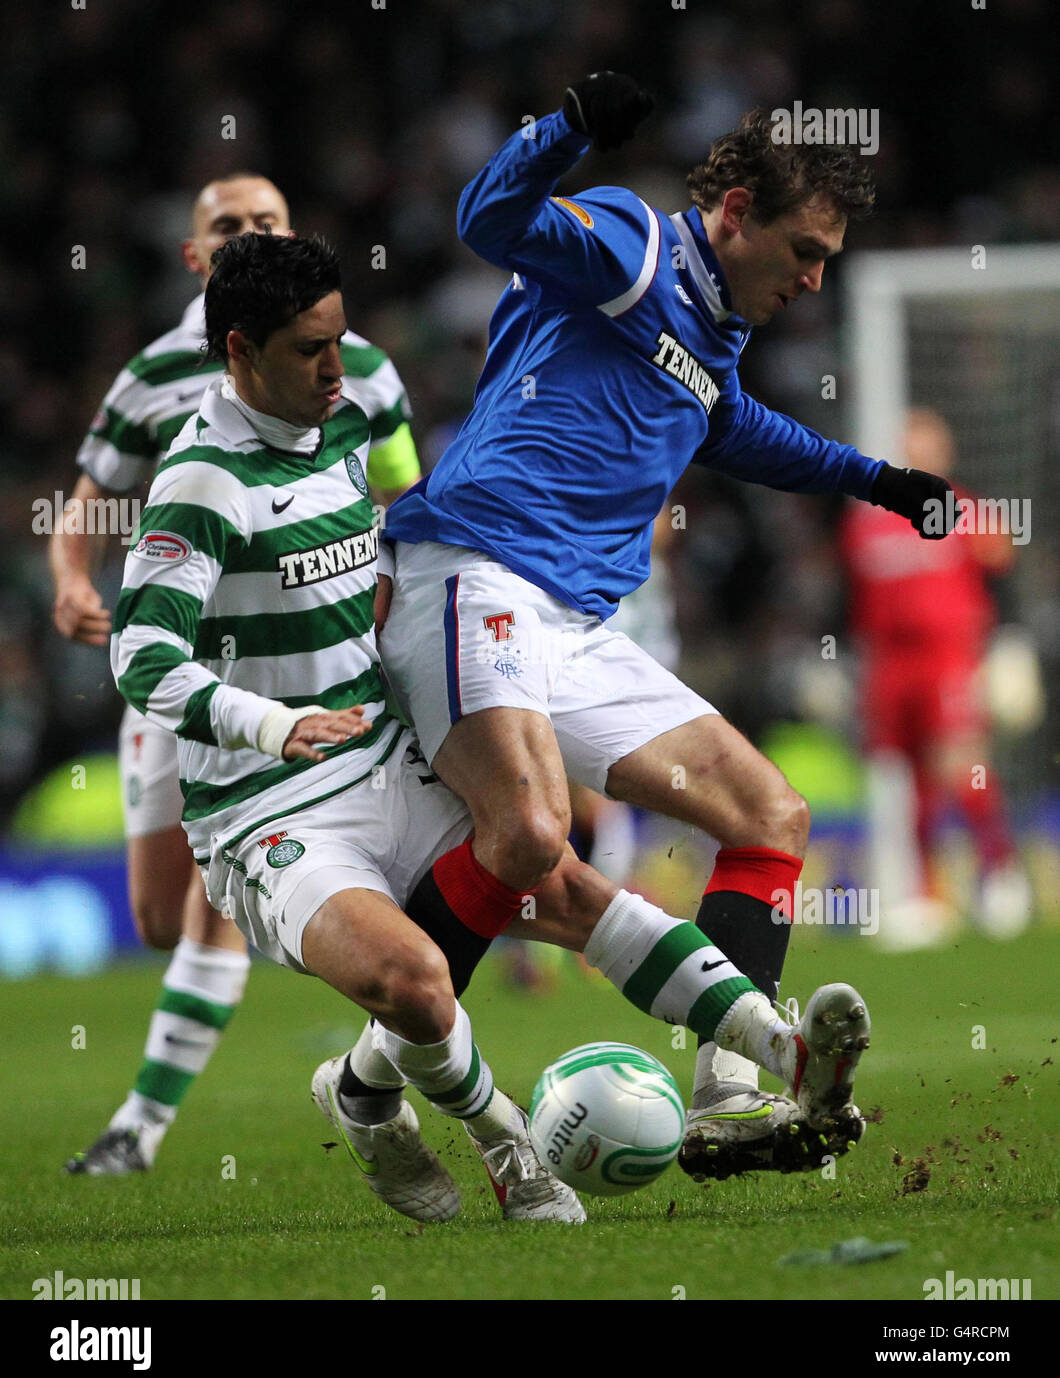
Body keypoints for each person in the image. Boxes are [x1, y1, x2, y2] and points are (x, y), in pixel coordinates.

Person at [113, 231, 872, 1222]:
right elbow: (141, 657)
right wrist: (268, 724)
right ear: (238, 353)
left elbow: (370, 584)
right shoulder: (201, 482)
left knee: (557, 871)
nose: (337, 369)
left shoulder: (341, 434)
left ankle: (783, 1054)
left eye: (341, 338)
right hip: (266, 811)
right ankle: (510, 1149)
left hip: (382, 763)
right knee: (420, 980)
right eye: (308, 350)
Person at [379, 74, 950, 1180]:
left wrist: (876, 480)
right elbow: (486, 219)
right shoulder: (630, 246)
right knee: (533, 835)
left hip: (580, 625)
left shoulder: (716, 331)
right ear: (734, 211)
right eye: (802, 249)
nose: (814, 278)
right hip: (478, 572)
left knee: (768, 813)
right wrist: (569, 131)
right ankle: (368, 1077)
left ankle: (729, 1097)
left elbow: (736, 429)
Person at [52, 173, 421, 1176]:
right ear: (194, 255)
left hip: (292, 681)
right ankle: (297, 907)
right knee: (157, 915)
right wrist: (68, 573)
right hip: (179, 660)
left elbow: (405, 504)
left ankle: (140, 1125)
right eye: (228, 224)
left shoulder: (360, 373)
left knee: (224, 880)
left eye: (266, 221)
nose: (249, 232)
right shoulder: (155, 374)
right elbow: (94, 491)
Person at [840, 407, 1033, 944]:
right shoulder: (866, 522)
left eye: (927, 443)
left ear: (944, 452)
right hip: (888, 666)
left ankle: (1000, 872)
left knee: (962, 765)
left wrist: (1010, 643)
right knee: (910, 782)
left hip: (949, 656)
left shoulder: (969, 512)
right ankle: (927, 896)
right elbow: (847, 600)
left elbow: (1002, 580)